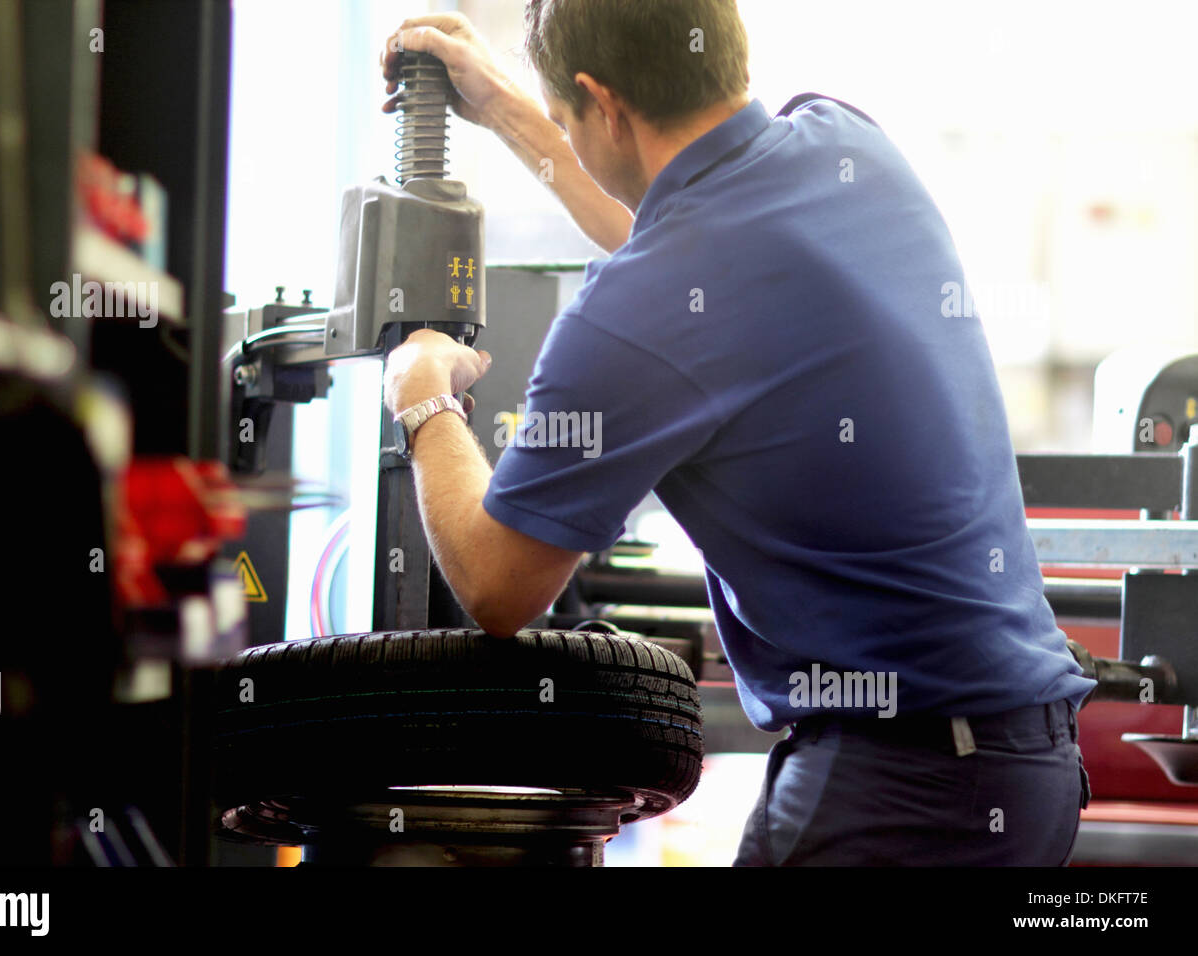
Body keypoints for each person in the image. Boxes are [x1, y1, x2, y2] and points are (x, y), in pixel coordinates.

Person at [377, 0, 1096, 866]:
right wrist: (500, 105)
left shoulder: (636, 311)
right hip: (1031, 771)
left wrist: (421, 393)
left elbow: (496, 584)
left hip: (901, 792)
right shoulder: (847, 146)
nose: (566, 131)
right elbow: (685, 269)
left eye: (569, 115)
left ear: (602, 103)